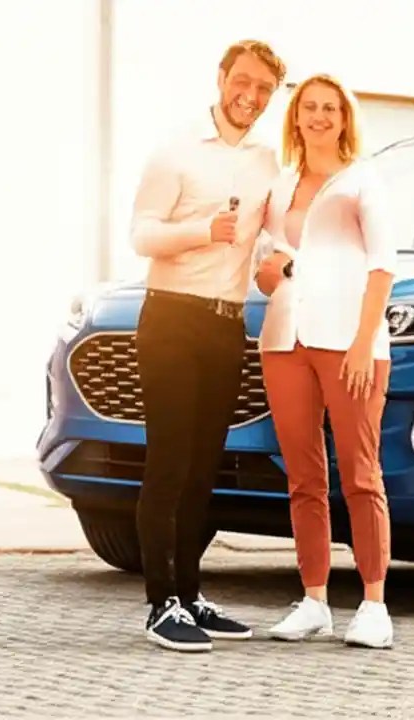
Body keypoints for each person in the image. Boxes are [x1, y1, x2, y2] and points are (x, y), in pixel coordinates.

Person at [129, 39, 286, 653]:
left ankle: (189, 595)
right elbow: (141, 235)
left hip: (227, 324)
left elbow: (273, 237)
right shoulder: (175, 152)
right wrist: (204, 231)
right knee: (168, 464)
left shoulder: (266, 160)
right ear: (221, 78)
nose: (249, 96)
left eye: (264, 89)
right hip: (170, 318)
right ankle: (160, 602)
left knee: (204, 468)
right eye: (241, 81)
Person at [252, 74, 397, 649]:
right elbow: (268, 263)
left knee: (361, 475)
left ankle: (374, 604)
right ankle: (314, 599)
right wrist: (275, 271)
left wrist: (365, 341)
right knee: (304, 477)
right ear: (295, 118)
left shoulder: (363, 180)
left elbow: (383, 266)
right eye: (308, 107)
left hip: (349, 342)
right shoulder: (281, 185)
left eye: (329, 108)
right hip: (284, 339)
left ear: (343, 118)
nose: (317, 116)